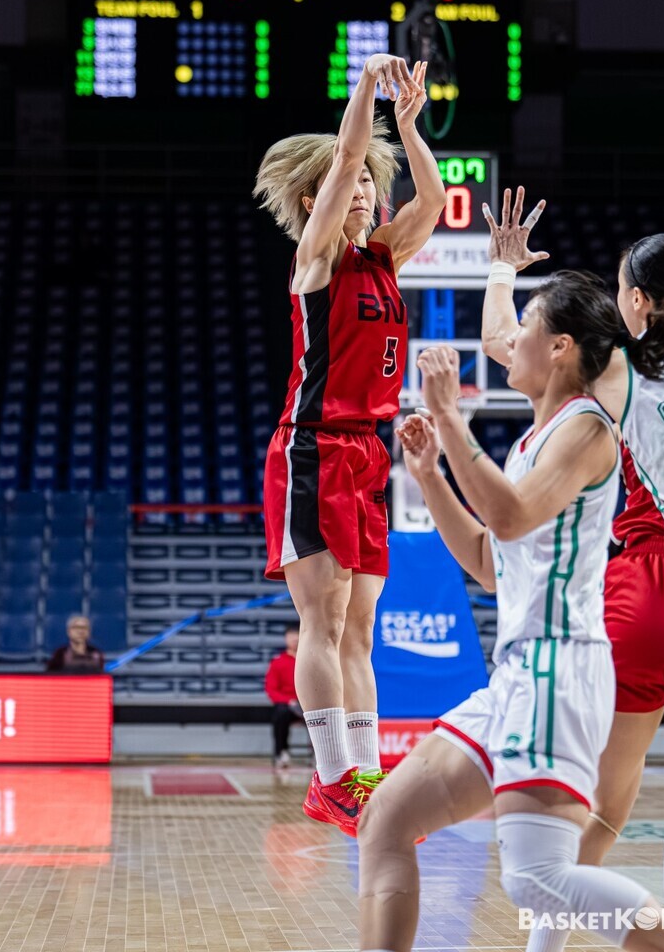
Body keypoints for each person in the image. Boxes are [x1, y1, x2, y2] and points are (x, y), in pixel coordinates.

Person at [358, 264, 664, 952]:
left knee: (538, 880)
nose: (511, 340)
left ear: (560, 347)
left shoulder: (588, 429)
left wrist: (451, 417)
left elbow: (511, 516)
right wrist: (429, 477)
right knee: (386, 822)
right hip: (516, 677)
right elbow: (489, 562)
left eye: (526, 326)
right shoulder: (528, 443)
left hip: (559, 670)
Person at [479, 201, 664, 939]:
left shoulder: (622, 364)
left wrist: (502, 270)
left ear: (639, 300)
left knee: (606, 808)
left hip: (660, 581)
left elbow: (503, 343)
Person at [253, 53, 445, 836]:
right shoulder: (318, 258)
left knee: (362, 629)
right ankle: (330, 776)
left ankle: (362, 777)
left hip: (366, 455)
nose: (364, 186)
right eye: (353, 179)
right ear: (317, 200)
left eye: (370, 179)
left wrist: (410, 127)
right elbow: (343, 158)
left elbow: (433, 200)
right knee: (324, 622)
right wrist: (367, 86)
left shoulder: (385, 257)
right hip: (312, 449)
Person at [265, 624, 303, 767]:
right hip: (288, 705)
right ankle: (281, 752)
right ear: (286, 638)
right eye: (291, 635)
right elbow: (271, 689)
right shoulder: (278, 662)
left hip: (307, 704)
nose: (295, 638)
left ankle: (319, 756)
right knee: (280, 713)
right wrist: (289, 701)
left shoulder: (310, 660)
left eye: (297, 634)